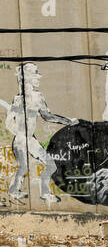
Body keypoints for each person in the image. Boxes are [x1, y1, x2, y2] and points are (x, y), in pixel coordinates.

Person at [1, 63, 77, 202]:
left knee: (51, 164)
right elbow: (8, 122)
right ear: (26, 78)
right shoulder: (18, 100)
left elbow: (48, 116)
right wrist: (19, 133)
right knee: (23, 167)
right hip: (20, 140)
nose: (39, 77)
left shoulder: (38, 97)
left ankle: (44, 193)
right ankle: (14, 190)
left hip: (31, 140)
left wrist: (67, 121)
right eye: (35, 73)